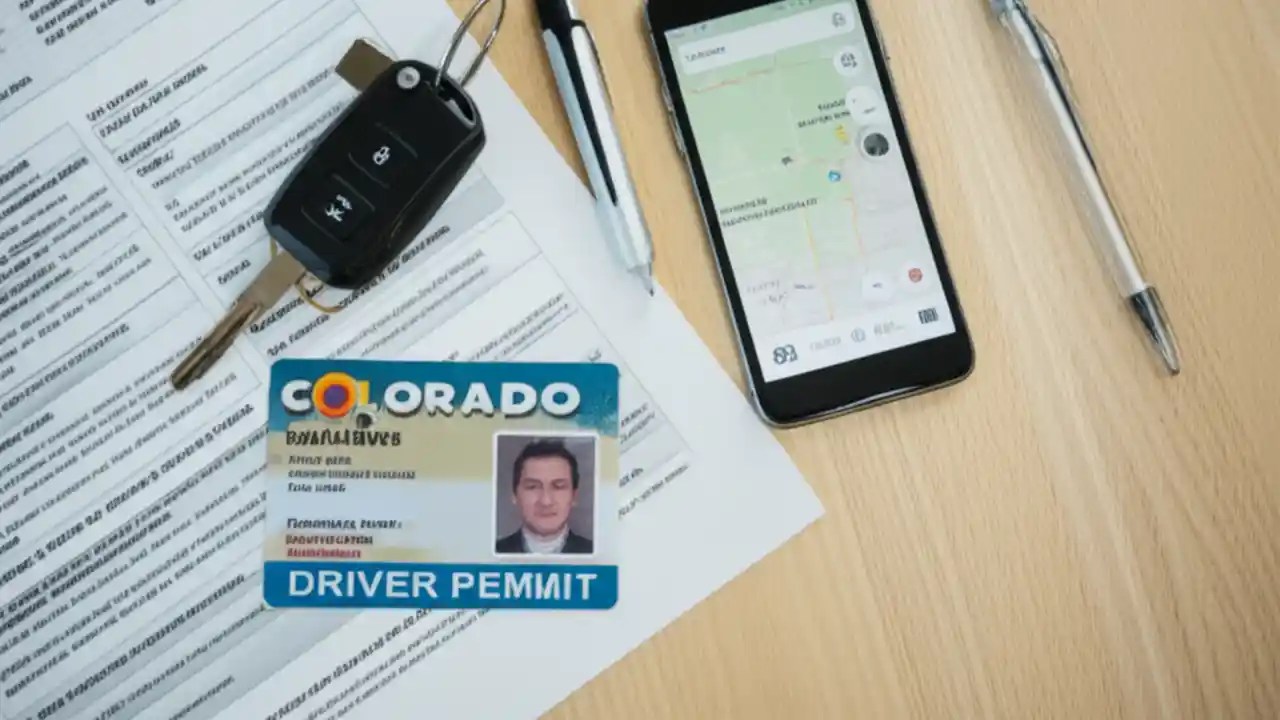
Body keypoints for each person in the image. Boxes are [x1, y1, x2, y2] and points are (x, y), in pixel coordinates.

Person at [495, 439, 593, 554]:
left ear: (574, 496)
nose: (546, 501)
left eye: (558, 487)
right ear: (514, 494)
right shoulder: (494, 552)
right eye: (532, 487)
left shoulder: (594, 553)